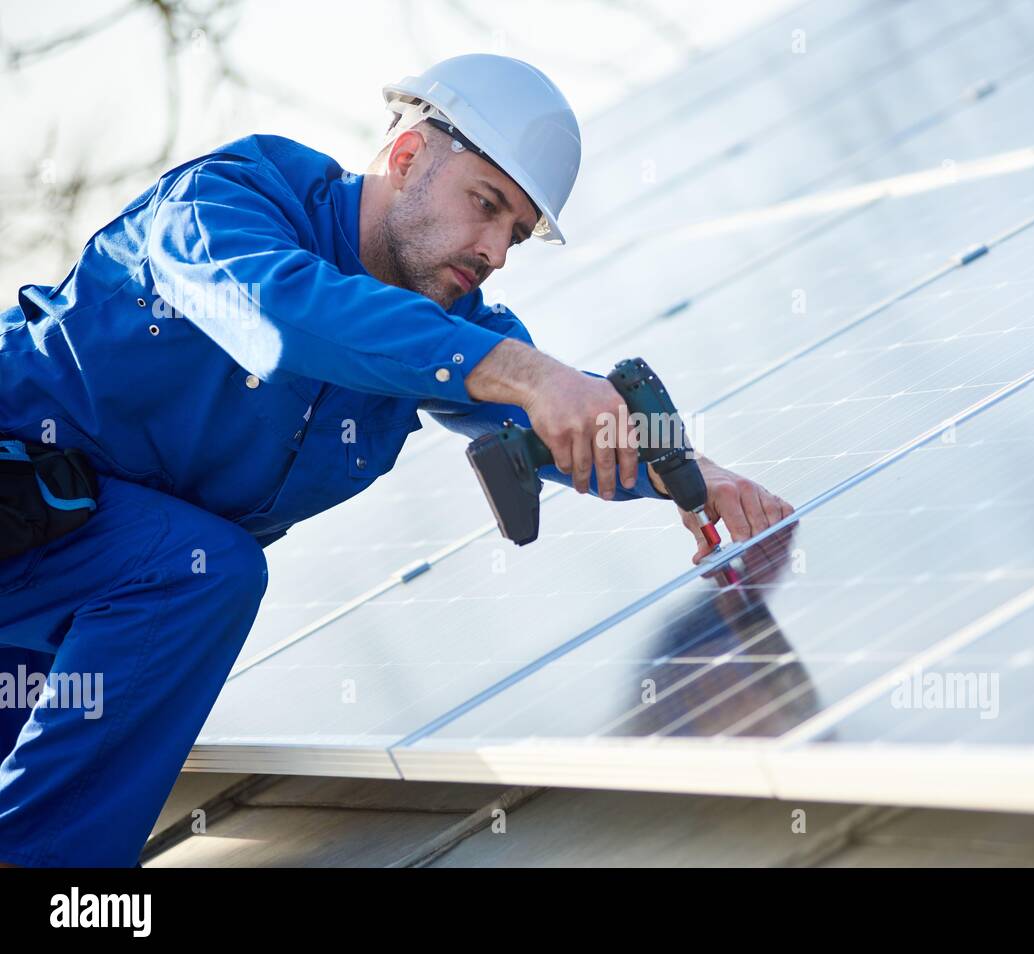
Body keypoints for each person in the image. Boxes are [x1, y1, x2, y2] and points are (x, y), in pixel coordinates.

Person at [0, 54, 792, 867]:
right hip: (18, 507)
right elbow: (280, 311)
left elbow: (560, 416)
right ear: (409, 157)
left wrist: (691, 472)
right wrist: (524, 373)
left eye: (516, 234)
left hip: (68, 599)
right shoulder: (225, 203)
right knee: (202, 570)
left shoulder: (441, 325)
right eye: (485, 206)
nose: (495, 252)